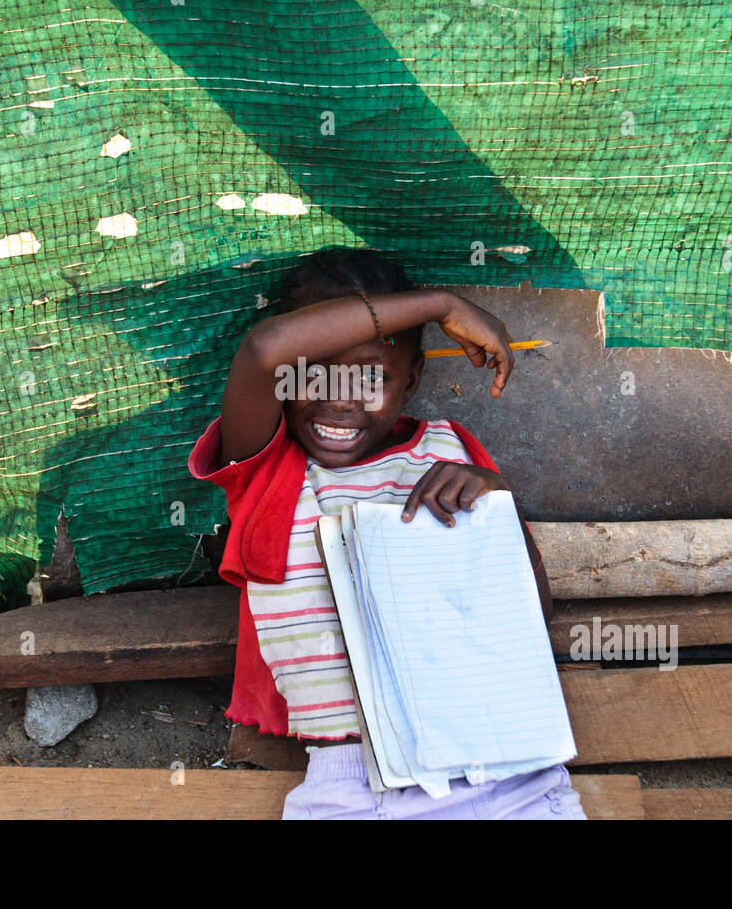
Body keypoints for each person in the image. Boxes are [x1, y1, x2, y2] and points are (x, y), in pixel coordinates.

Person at [188, 247, 585, 819]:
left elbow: (529, 615)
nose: (339, 399)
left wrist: (497, 501)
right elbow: (261, 349)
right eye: (314, 372)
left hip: (506, 766)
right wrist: (442, 304)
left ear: (412, 380)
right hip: (351, 784)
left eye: (371, 377)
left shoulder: (446, 452)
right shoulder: (268, 470)